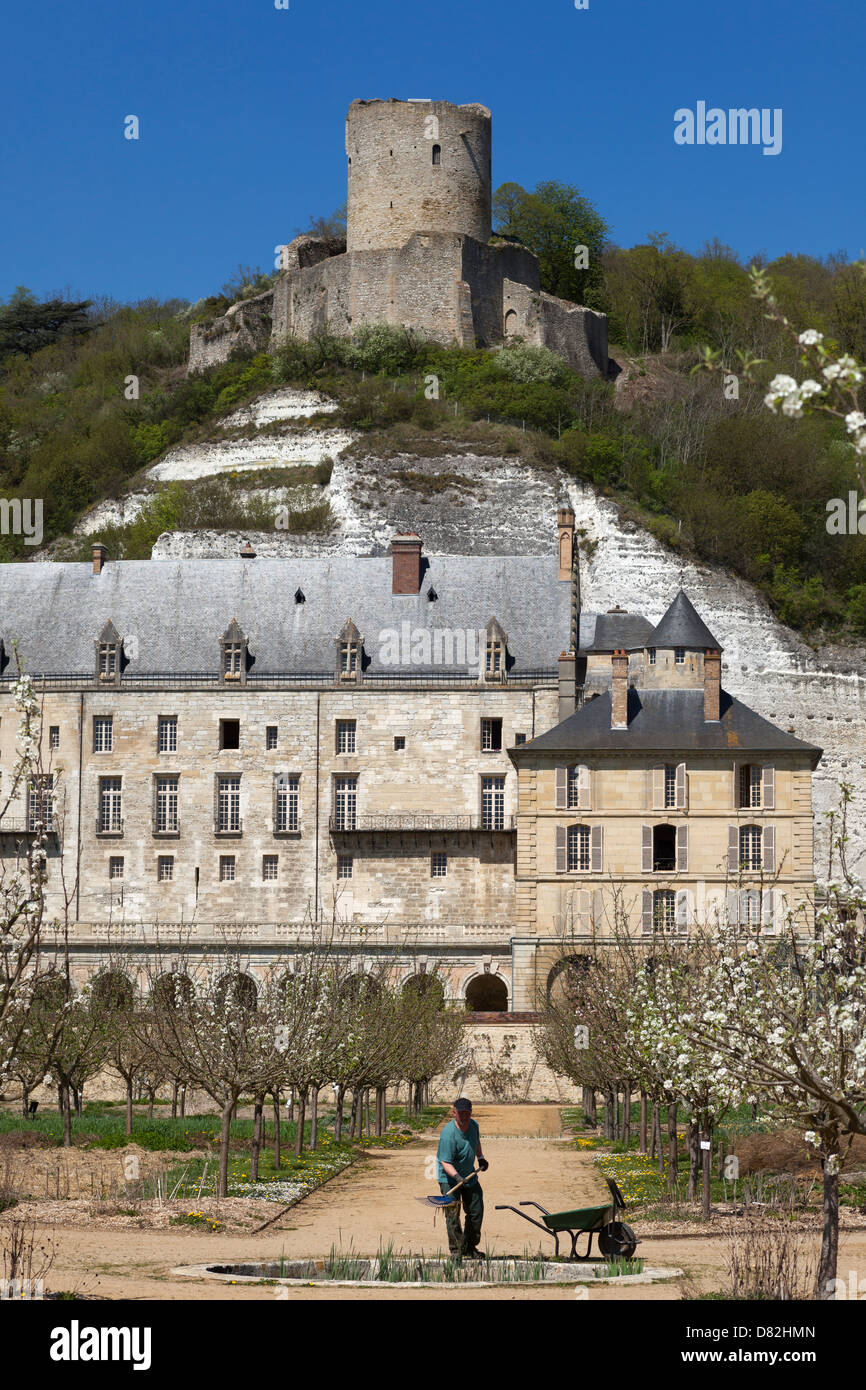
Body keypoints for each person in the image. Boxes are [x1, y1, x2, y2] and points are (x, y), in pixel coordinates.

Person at [436, 1097, 489, 1258]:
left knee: (476, 1210)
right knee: (452, 1213)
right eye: (461, 1113)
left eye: (467, 1113)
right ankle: (456, 1250)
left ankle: (469, 1247)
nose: (464, 1117)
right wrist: (458, 1177)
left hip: (469, 1174)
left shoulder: (474, 1126)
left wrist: (480, 1158)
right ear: (454, 1113)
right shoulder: (448, 1134)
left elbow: (476, 1142)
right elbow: (445, 1162)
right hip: (449, 1178)